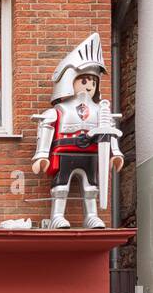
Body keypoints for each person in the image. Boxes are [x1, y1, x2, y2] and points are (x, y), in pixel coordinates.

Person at [32, 32, 123, 230]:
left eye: (93, 81)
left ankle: (91, 215)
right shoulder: (58, 111)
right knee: (61, 185)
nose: (89, 86)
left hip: (91, 153)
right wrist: (41, 156)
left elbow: (109, 130)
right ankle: (57, 215)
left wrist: (115, 153)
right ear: (69, 80)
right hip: (64, 152)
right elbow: (46, 129)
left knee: (91, 187)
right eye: (84, 80)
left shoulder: (101, 110)